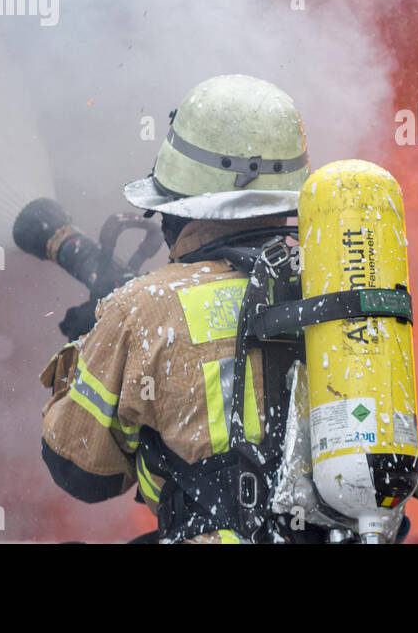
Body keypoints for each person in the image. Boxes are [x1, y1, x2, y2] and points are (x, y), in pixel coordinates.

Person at [39, 73, 315, 543]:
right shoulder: (336, 285)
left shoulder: (144, 309)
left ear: (181, 206)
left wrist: (89, 349)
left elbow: (81, 471)